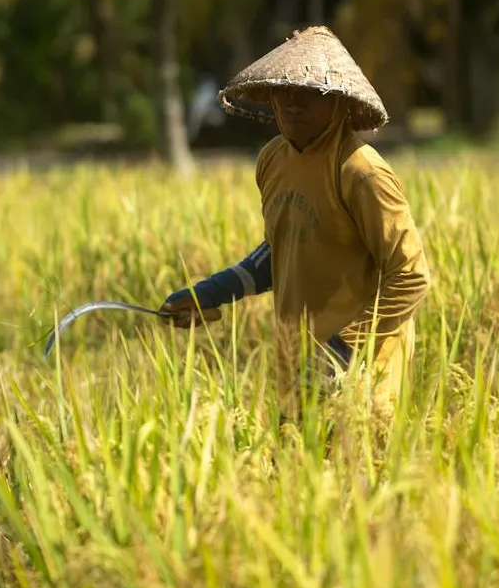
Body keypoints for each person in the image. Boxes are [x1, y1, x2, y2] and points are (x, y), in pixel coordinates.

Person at [158, 25, 431, 423]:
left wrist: (341, 351)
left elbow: (411, 276)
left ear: (338, 101)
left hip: (362, 372)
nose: (292, 103)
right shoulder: (272, 161)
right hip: (298, 365)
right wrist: (209, 292)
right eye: (282, 89)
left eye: (309, 93)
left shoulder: (360, 171)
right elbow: (285, 249)